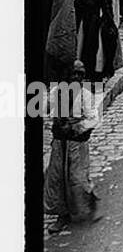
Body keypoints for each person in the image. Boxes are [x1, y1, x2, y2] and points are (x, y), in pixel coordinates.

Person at [43, 61, 102, 235]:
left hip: (77, 142)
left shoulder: (85, 95)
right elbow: (45, 108)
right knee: (57, 178)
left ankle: (92, 202)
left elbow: (93, 118)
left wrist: (76, 127)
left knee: (78, 177)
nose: (76, 77)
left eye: (80, 74)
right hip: (59, 142)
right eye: (73, 73)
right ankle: (62, 215)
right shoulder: (57, 91)